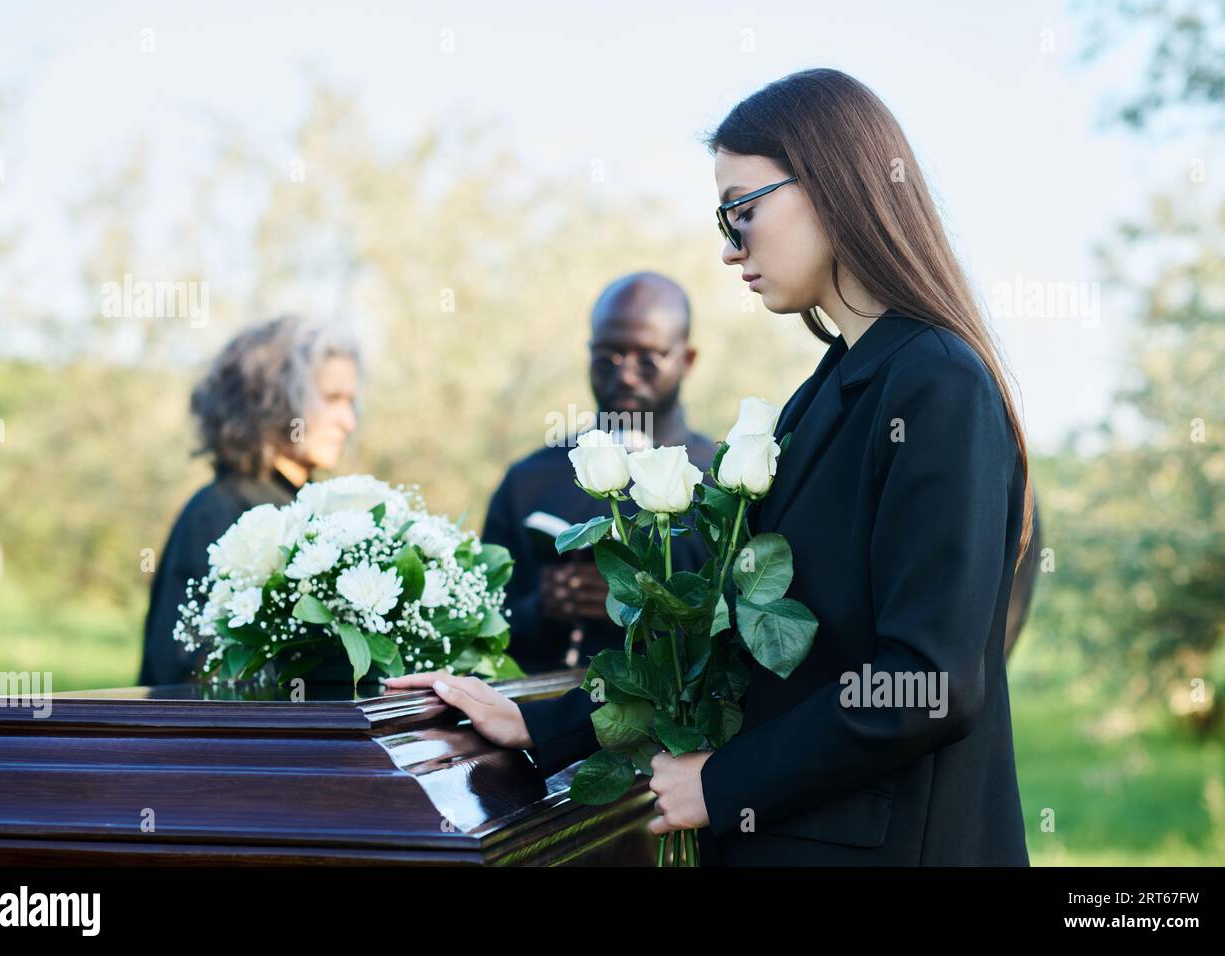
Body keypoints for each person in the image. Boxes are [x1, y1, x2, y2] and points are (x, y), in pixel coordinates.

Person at [387, 68, 1034, 865]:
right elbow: (728, 647)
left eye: (742, 210)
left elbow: (929, 682)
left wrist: (727, 783)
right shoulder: (822, 395)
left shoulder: (937, 383)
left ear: (830, 186)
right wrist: (537, 725)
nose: (730, 249)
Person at [480, 272, 717, 673]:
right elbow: (477, 625)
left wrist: (644, 605)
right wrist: (542, 606)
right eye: (607, 356)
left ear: (687, 359)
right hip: (533, 717)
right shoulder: (529, 479)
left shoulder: (720, 480)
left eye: (647, 357)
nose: (624, 374)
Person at [138, 316, 361, 687]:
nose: (348, 421)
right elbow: (188, 676)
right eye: (332, 399)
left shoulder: (313, 509)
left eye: (351, 401)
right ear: (272, 400)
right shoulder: (216, 512)